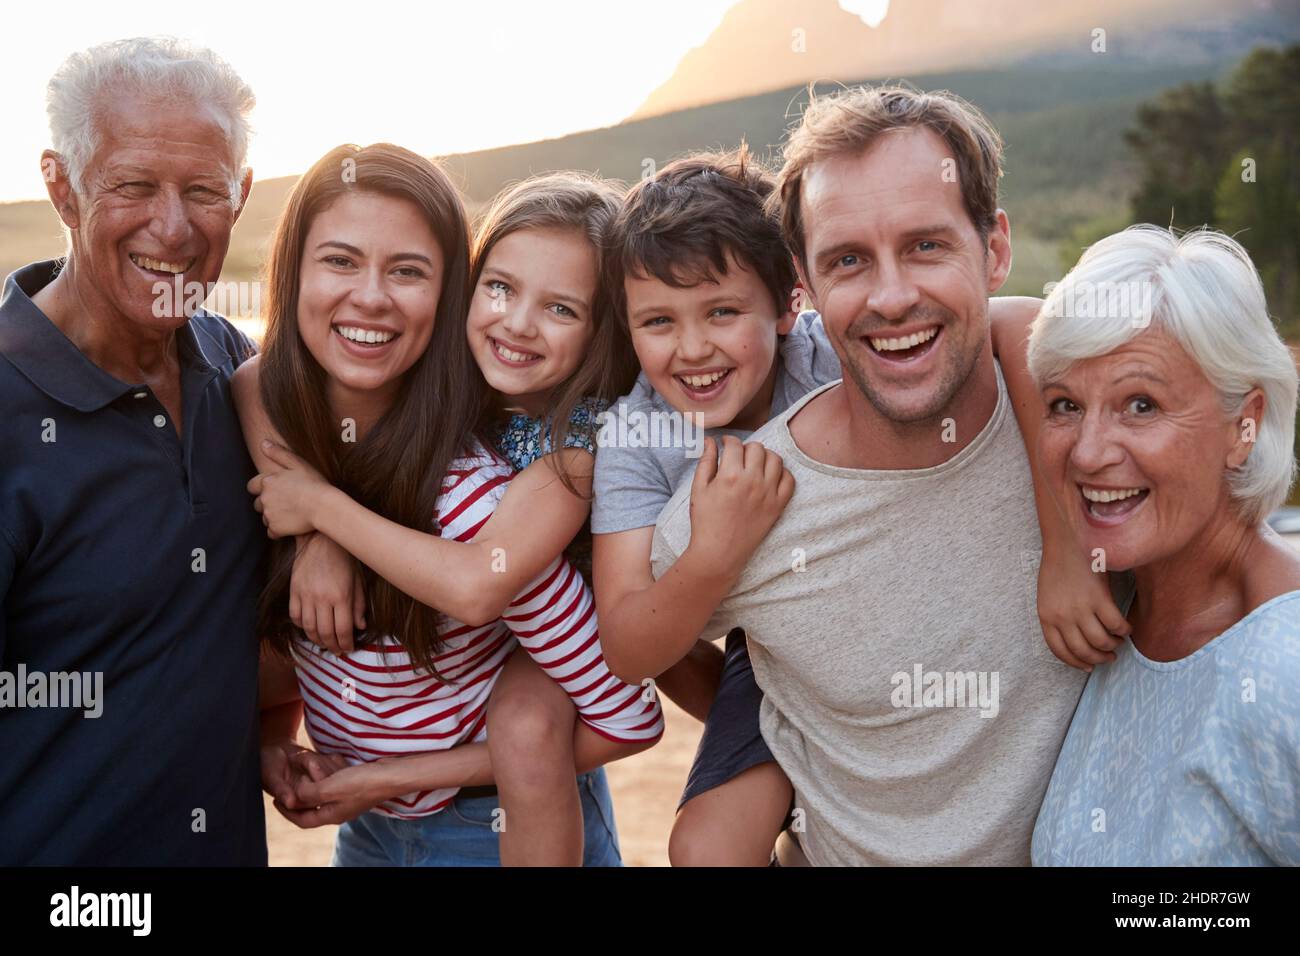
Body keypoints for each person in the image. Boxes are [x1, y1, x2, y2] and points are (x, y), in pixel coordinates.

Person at [651, 85, 1102, 865]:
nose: (892, 297)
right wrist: (777, 755)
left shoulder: (1092, 444)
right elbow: (651, 637)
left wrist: (1067, 537)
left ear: (994, 248)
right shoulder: (744, 505)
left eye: (927, 245)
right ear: (807, 284)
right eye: (850, 260)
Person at [239, 144, 662, 867]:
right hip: (373, 831)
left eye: (406, 270)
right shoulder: (276, 418)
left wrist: (323, 513)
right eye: (340, 260)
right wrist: (318, 535)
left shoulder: (499, 489)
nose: (519, 323)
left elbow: (486, 593)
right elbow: (257, 381)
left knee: (531, 718)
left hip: (488, 827)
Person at [0, 37, 265, 865]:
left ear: (243, 194)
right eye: (134, 186)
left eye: (203, 191)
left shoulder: (236, 368)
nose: (174, 226)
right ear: (63, 188)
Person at [1029, 226, 1300, 866]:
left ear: (1245, 425)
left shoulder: (1282, 668)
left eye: (1141, 405)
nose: (1089, 452)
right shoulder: (1118, 611)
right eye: (1065, 404)